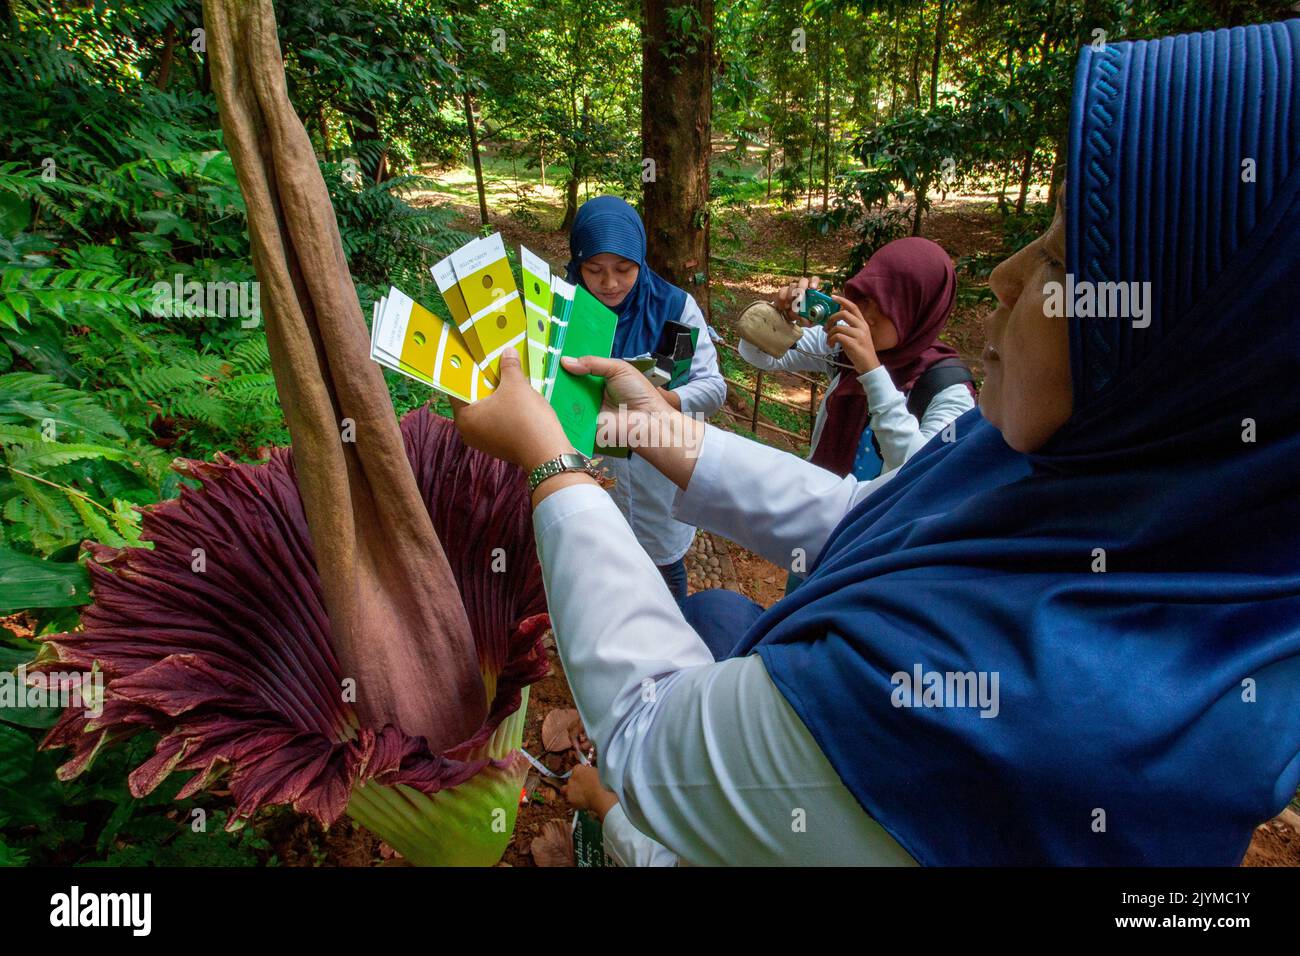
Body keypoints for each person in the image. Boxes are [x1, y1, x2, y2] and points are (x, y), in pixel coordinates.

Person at [453, 21, 1300, 865]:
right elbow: (863, 516)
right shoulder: (1062, 477)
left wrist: (553, 465)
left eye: (1061, 261)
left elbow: (648, 732)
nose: (1004, 277)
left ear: (1188, 339)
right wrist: (641, 420)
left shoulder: (967, 701)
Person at [565, 196, 726, 604]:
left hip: (658, 474)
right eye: (594, 270)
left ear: (641, 257)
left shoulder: (671, 311)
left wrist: (662, 398)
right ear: (576, 263)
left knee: (664, 574)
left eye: (624, 269)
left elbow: (710, 387)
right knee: (601, 576)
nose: (610, 284)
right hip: (590, 473)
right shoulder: (564, 310)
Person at [738, 238, 975, 479]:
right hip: (821, 501)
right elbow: (760, 357)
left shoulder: (949, 391)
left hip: (881, 514)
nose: (866, 316)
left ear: (917, 310)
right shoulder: (842, 345)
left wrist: (872, 372)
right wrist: (777, 317)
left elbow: (922, 474)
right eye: (863, 298)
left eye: (885, 304)